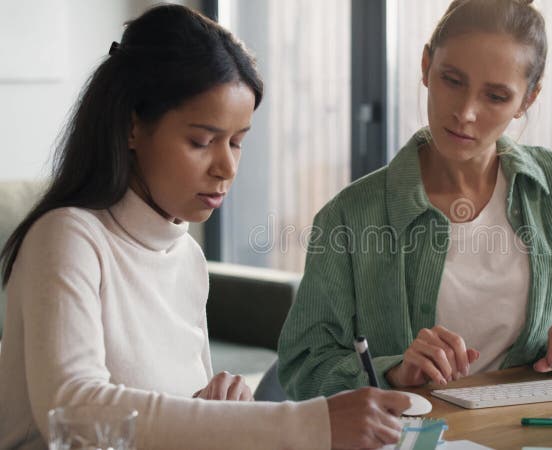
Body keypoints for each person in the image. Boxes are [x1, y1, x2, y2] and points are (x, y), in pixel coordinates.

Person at [0, 5, 409, 450]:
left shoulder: (186, 257)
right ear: (132, 126)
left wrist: (213, 404)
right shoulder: (67, 237)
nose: (226, 167)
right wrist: (305, 424)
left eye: (237, 142)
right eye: (202, 141)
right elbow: (74, 410)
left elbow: (163, 419)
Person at [278, 0, 552, 400]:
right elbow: (304, 368)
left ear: (528, 99)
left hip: (535, 431)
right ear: (425, 66)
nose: (465, 112)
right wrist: (395, 372)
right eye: (452, 80)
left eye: (496, 96)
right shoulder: (348, 217)